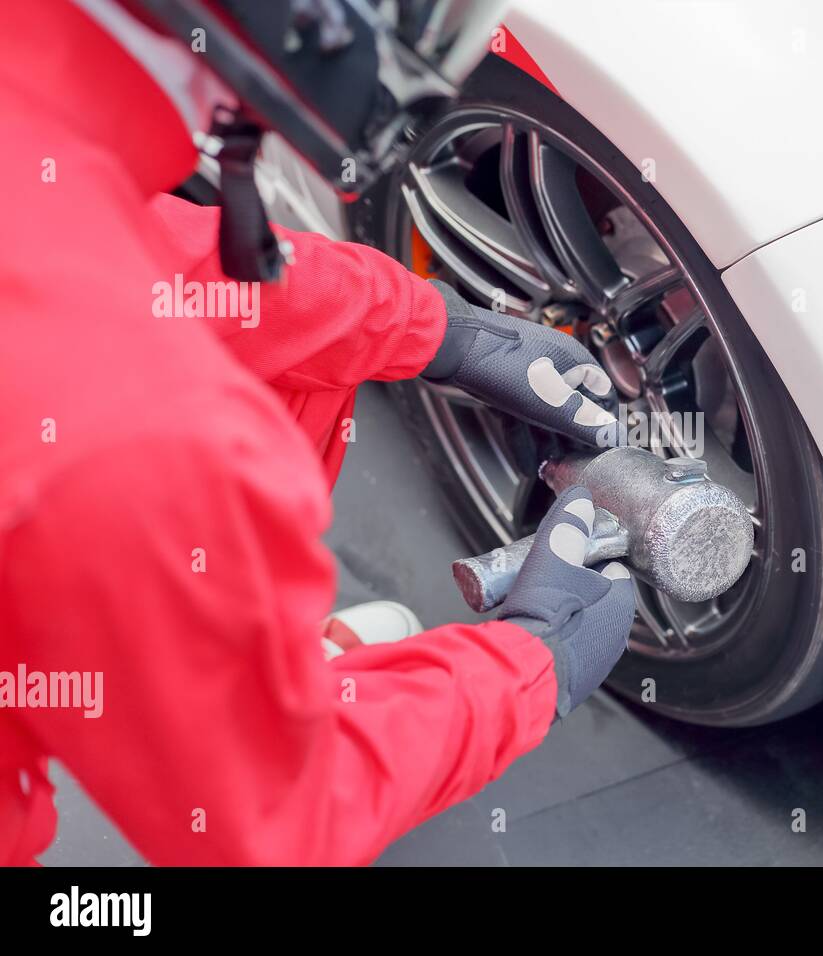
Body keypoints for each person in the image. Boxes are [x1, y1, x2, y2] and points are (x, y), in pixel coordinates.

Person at [0, 0, 634, 865]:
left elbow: (135, 255)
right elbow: (277, 820)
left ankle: (228, 657)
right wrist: (530, 664)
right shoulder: (125, 435)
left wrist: (431, 327)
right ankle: (235, 683)